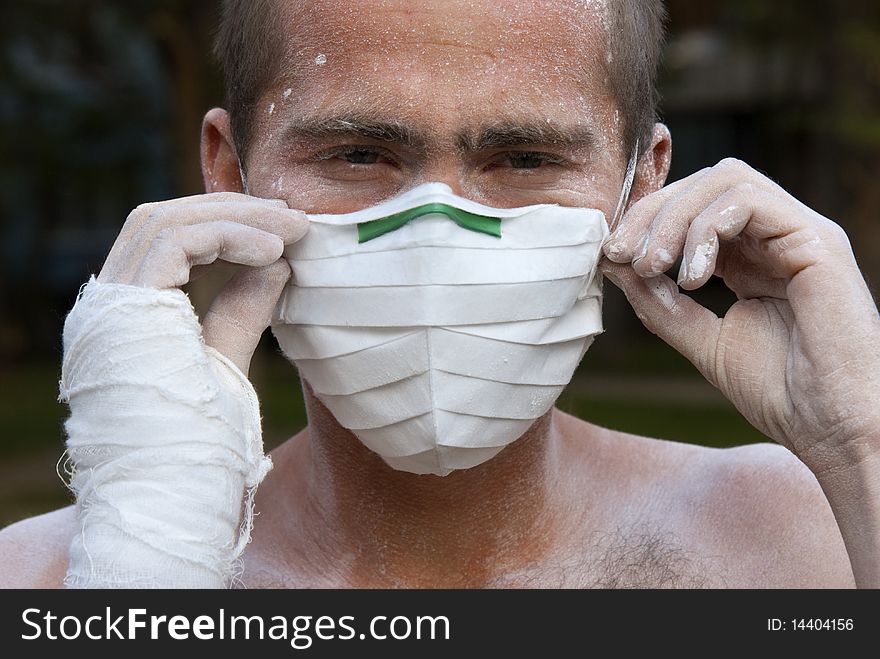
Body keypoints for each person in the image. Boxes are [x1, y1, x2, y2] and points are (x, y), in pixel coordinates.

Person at [1, 0, 878, 588]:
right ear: (230, 172)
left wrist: (861, 439)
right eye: (357, 153)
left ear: (641, 183)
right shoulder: (52, 578)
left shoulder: (804, 538)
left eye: (525, 159)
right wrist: (143, 577)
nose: (436, 227)